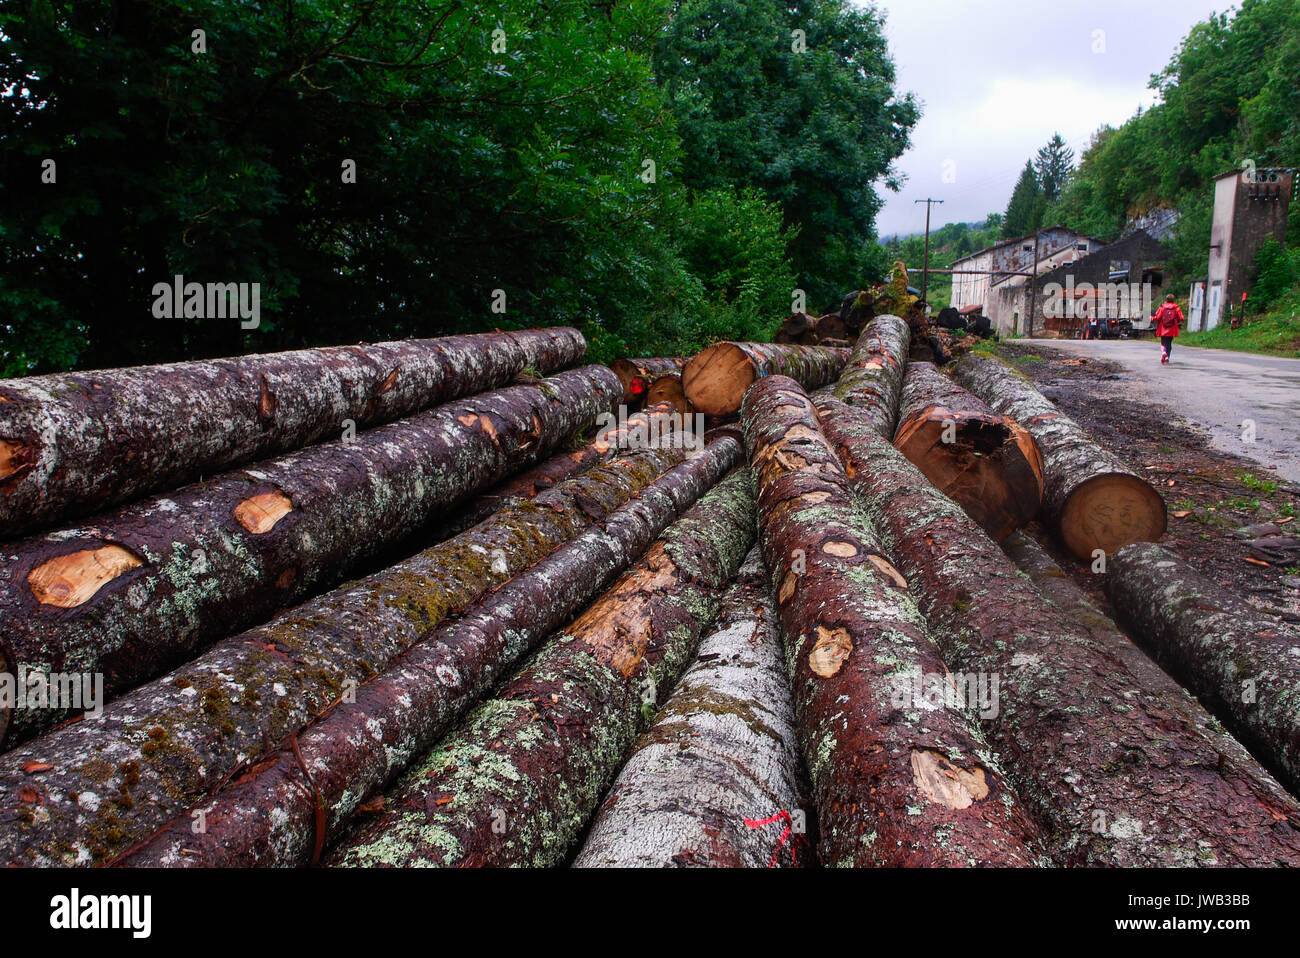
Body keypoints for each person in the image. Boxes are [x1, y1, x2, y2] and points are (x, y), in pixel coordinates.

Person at [1153, 294, 1183, 364]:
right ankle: (1167, 357)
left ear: (1166, 300)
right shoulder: (1176, 308)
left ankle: (1164, 353)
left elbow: (1157, 317)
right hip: (1172, 328)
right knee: (1169, 343)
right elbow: (1181, 317)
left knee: (1163, 342)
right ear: (1173, 300)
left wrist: (1151, 318)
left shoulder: (1162, 307)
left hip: (1163, 328)